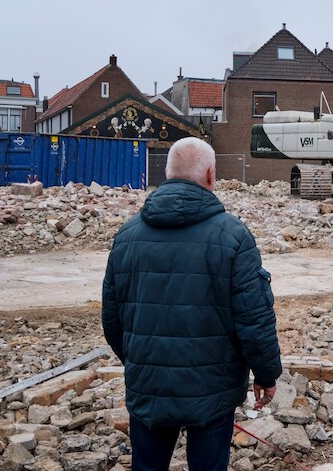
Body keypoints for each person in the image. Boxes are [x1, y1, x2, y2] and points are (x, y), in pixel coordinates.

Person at [102, 137, 281, 470]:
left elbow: (112, 318)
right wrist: (266, 375)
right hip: (212, 390)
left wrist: (140, 361)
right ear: (211, 175)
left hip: (149, 385)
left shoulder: (127, 236)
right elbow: (254, 319)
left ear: (167, 173)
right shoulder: (234, 236)